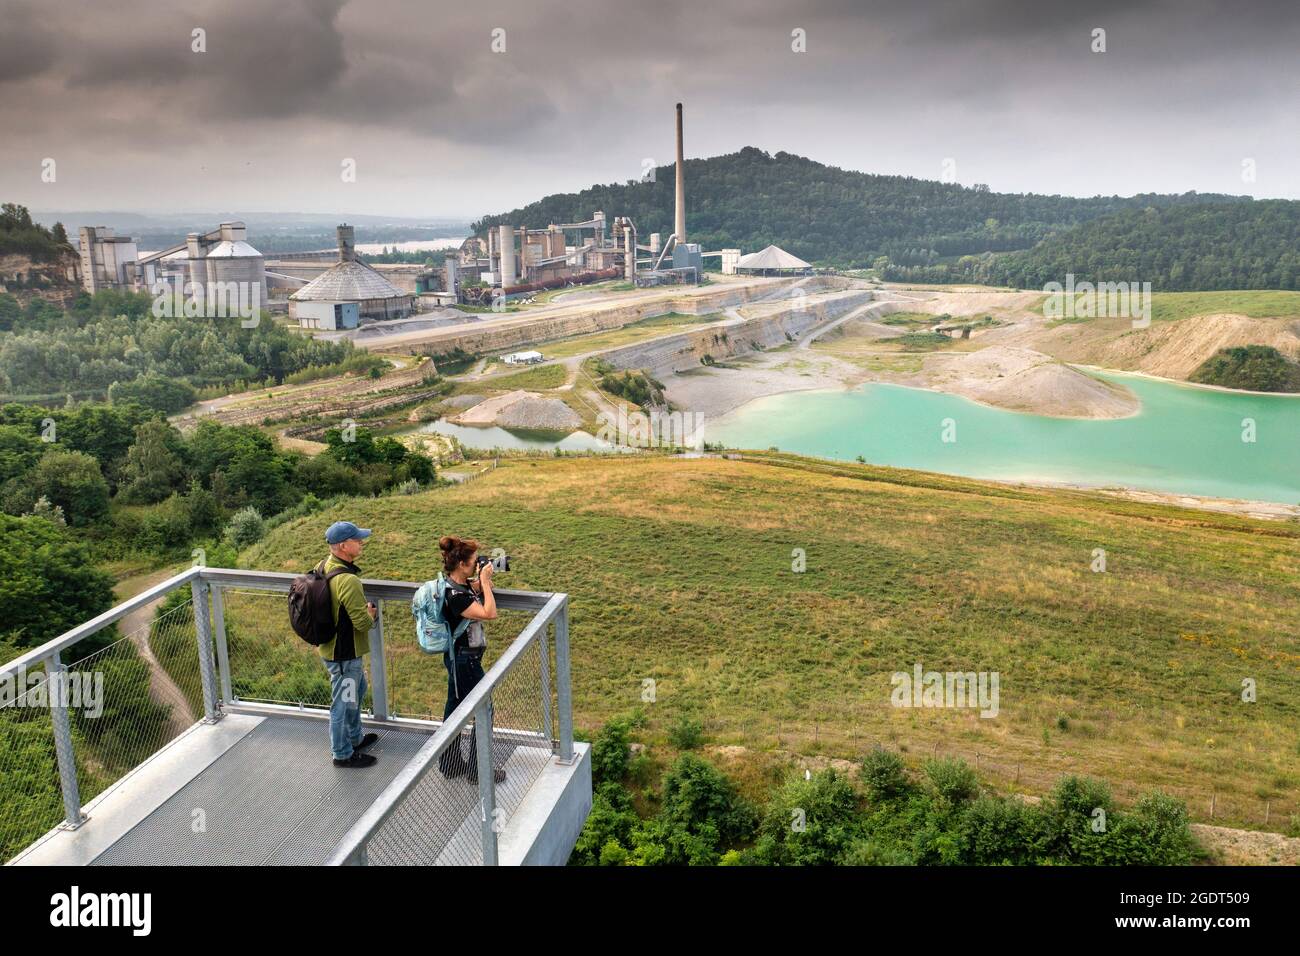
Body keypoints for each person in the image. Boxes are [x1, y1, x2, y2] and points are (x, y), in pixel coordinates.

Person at [436, 535, 506, 784]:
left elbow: (470, 592)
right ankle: (479, 771)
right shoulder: (456, 596)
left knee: (454, 710)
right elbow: (490, 613)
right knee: (484, 709)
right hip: (465, 662)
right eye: (475, 561)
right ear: (463, 564)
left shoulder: (456, 586)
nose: (478, 565)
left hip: (459, 659)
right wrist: (485, 583)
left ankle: (450, 763)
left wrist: (480, 581)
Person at [319, 521, 379, 768]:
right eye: (357, 539)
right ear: (344, 546)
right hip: (344, 654)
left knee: (358, 690)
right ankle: (342, 754)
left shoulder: (323, 565)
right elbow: (362, 624)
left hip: (332, 649)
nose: (361, 542)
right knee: (342, 702)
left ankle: (355, 739)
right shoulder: (348, 580)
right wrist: (371, 614)